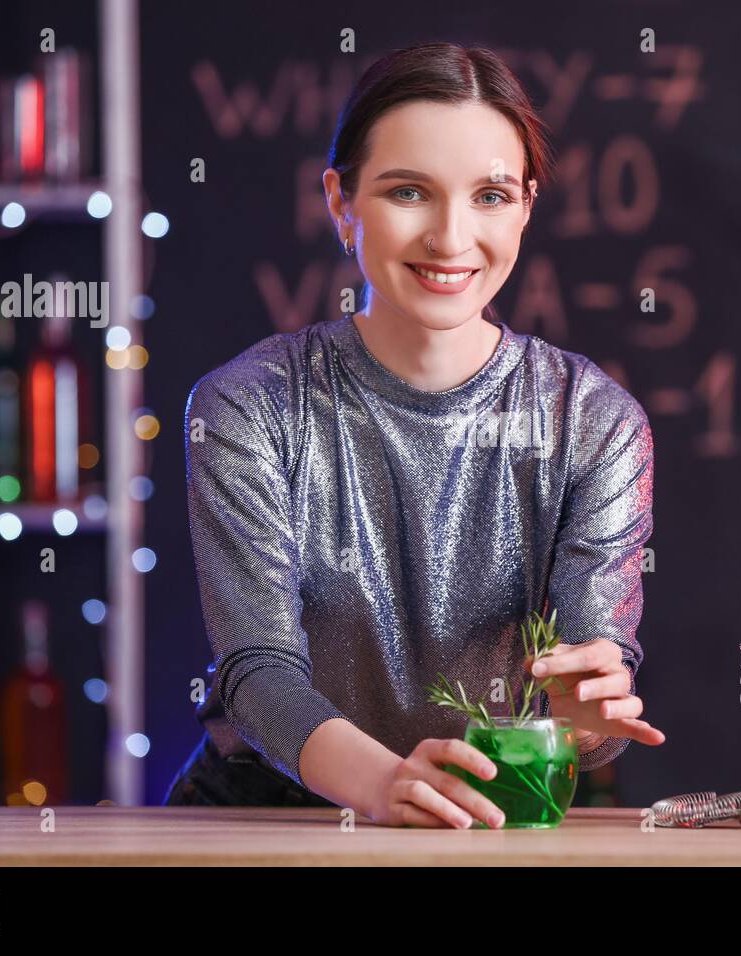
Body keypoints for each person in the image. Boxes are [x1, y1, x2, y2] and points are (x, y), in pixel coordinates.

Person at [164, 42, 664, 826]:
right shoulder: (247, 405)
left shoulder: (595, 422)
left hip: (505, 808)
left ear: (528, 205)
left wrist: (587, 706)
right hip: (268, 813)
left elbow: (591, 700)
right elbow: (256, 672)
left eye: (491, 195)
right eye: (408, 192)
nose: (450, 237)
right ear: (340, 201)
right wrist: (382, 783)